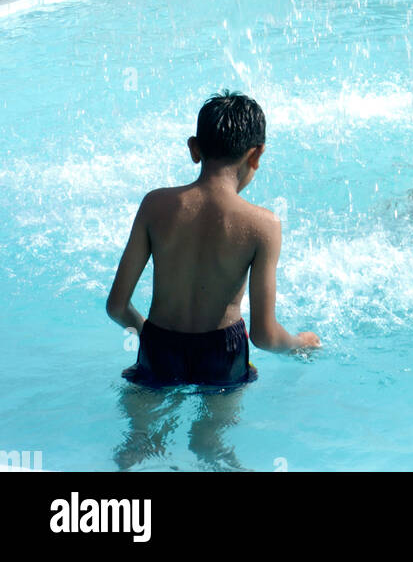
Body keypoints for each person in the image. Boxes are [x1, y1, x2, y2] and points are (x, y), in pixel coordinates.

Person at [107, 89, 320, 393]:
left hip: (159, 348)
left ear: (194, 149)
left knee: (142, 439)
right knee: (210, 441)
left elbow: (116, 306)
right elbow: (264, 336)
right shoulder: (264, 225)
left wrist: (147, 336)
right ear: (257, 154)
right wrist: (301, 344)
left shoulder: (154, 205)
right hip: (223, 356)